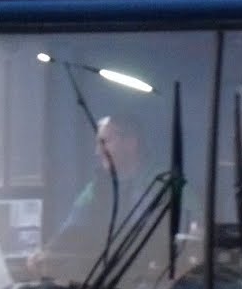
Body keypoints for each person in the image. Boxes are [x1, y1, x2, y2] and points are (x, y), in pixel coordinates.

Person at [27, 112, 161, 280]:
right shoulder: (96, 188)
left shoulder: (163, 185)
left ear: (130, 143)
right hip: (99, 288)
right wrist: (48, 253)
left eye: (105, 142)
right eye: (97, 144)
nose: (97, 151)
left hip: (148, 286)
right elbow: (73, 227)